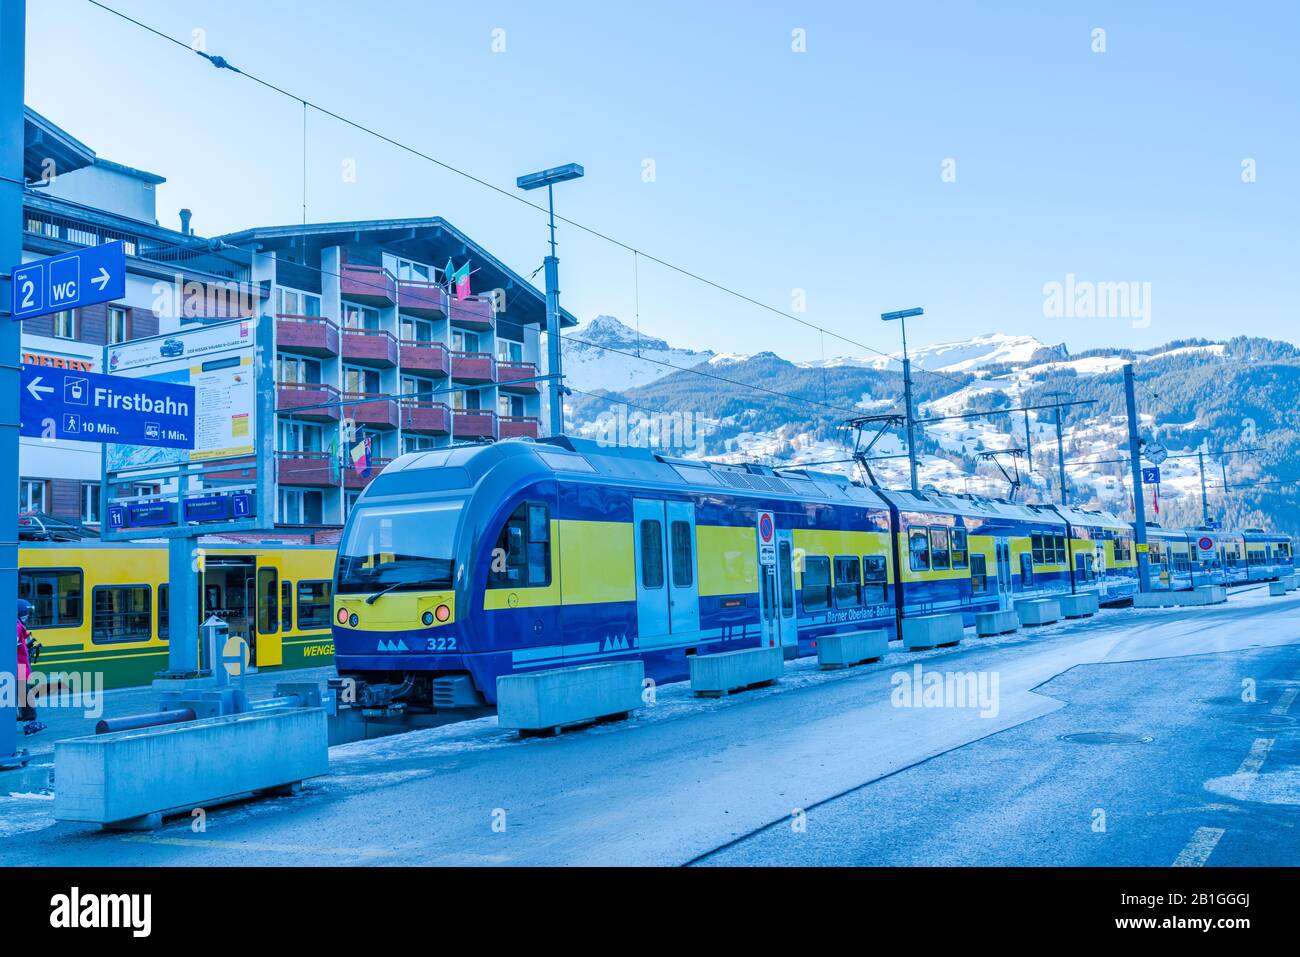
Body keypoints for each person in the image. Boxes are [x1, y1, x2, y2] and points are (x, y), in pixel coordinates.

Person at [16, 599, 44, 735]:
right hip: (17, 668)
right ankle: (30, 724)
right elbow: (13, 643)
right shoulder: (16, 625)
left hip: (18, 667)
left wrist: (27, 646)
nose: (28, 615)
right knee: (25, 696)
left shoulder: (19, 625)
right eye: (26, 613)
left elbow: (22, 641)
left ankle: (27, 722)